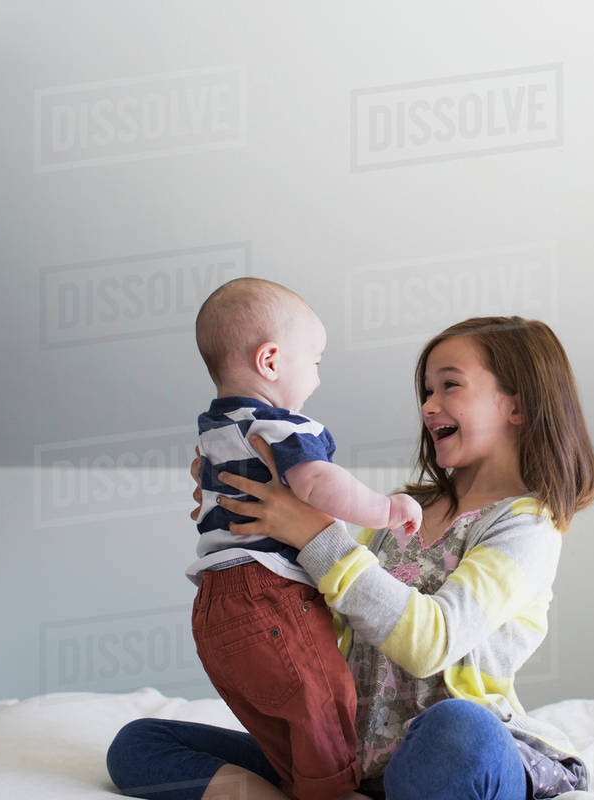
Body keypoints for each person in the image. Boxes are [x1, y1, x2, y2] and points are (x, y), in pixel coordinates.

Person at [107, 316, 594, 800]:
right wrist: (251, 512)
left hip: (444, 753)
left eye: (449, 385)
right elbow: (334, 601)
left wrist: (311, 530)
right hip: (350, 757)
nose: (429, 405)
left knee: (457, 729)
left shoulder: (528, 525)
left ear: (518, 406)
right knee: (143, 744)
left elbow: (433, 642)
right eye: (427, 391)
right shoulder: (401, 511)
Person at [163, 277, 422, 800]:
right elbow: (317, 482)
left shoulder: (214, 429)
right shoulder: (283, 426)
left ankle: (305, 787)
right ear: (271, 361)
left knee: (286, 727)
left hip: (213, 604)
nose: (318, 378)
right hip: (270, 595)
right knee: (325, 701)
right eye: (316, 362)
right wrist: (386, 508)